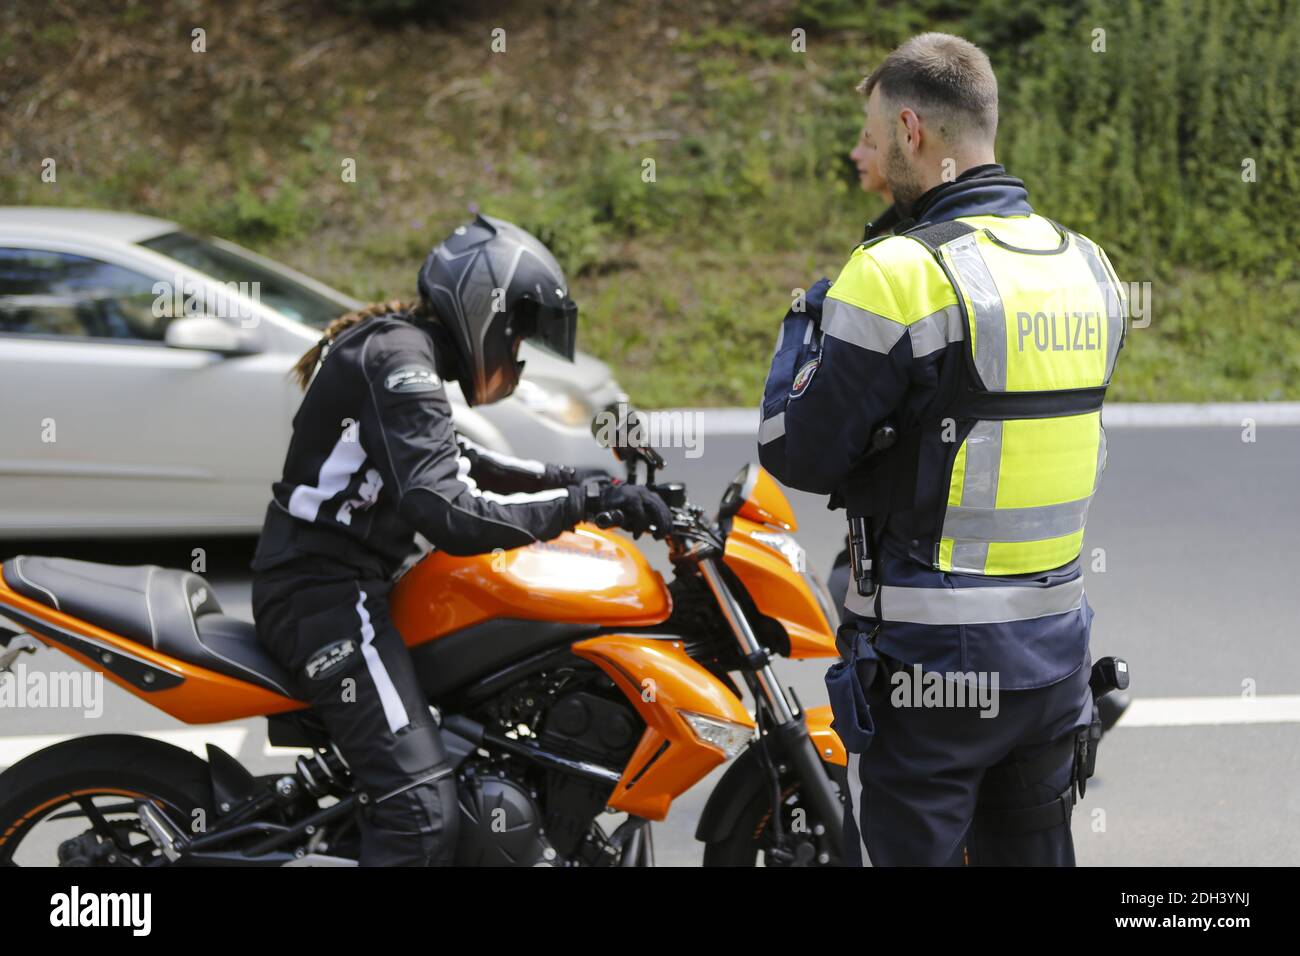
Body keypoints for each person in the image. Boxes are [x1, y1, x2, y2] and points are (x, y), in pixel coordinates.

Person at [759, 33, 1127, 865]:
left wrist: (806, 320)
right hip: (1054, 653)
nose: (870, 149)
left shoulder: (896, 273)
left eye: (873, 129)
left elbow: (797, 450)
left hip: (934, 670)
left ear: (912, 130)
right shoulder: (1090, 269)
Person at [250, 214, 671, 866]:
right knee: (419, 815)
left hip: (354, 589)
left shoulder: (405, 354)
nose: (519, 355)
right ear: (485, 311)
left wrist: (587, 483)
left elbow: (463, 462)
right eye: (519, 335)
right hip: (324, 599)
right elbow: (449, 510)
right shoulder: (400, 364)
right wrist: (589, 502)